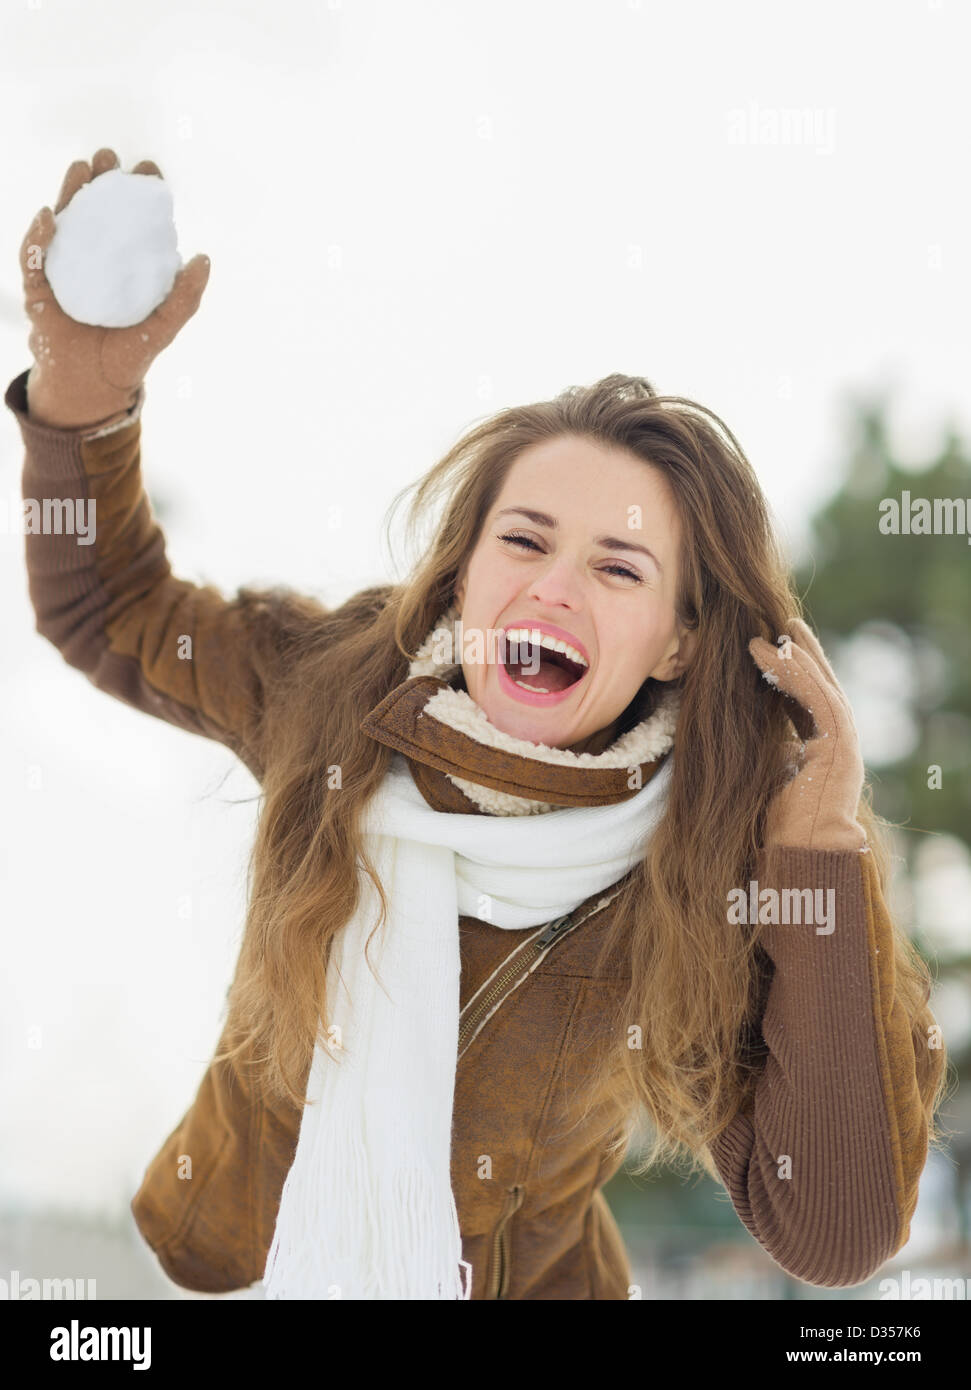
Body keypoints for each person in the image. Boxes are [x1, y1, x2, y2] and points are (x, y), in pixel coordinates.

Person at [7, 147, 947, 1301]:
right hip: (228, 1276)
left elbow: (838, 1231)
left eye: (617, 566)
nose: (554, 586)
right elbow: (105, 606)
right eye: (523, 539)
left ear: (678, 642)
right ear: (462, 579)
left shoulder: (714, 856)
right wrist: (80, 400)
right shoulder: (330, 696)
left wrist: (817, 842)